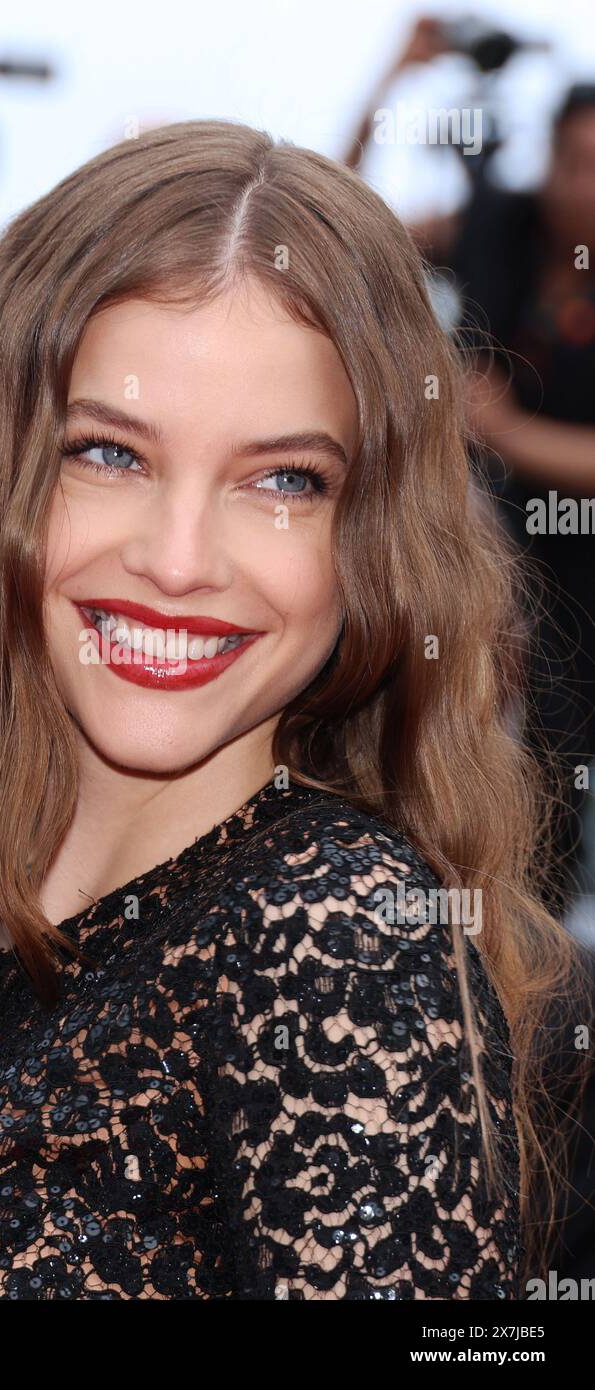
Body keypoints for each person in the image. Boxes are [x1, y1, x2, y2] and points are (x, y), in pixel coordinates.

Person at [0, 120, 590, 1300]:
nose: (176, 559)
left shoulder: (333, 937)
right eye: (109, 454)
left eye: (282, 480)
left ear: (371, 546)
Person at [346, 18, 595, 915]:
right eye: (573, 163)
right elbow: (337, 230)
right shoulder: (496, 222)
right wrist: (388, 81)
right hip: (450, 533)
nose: (583, 187)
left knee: (548, 778)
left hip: (572, 583)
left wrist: (505, 429)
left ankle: (523, 972)